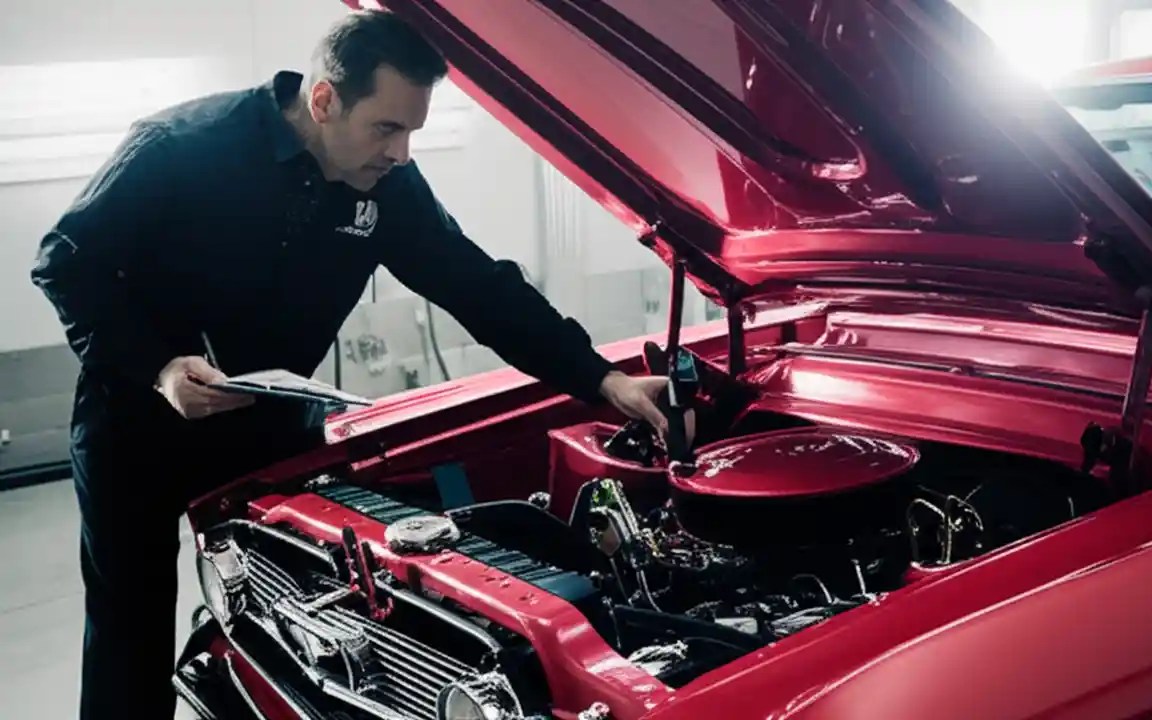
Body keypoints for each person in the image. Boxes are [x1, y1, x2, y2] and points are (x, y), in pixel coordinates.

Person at [30, 9, 675, 719]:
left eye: (413, 133)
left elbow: (477, 286)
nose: (400, 155)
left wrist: (598, 378)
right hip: (139, 422)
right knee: (130, 629)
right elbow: (65, 263)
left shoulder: (388, 185)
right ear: (324, 100)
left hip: (269, 426)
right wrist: (159, 368)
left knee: (298, 614)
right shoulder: (180, 148)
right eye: (386, 129)